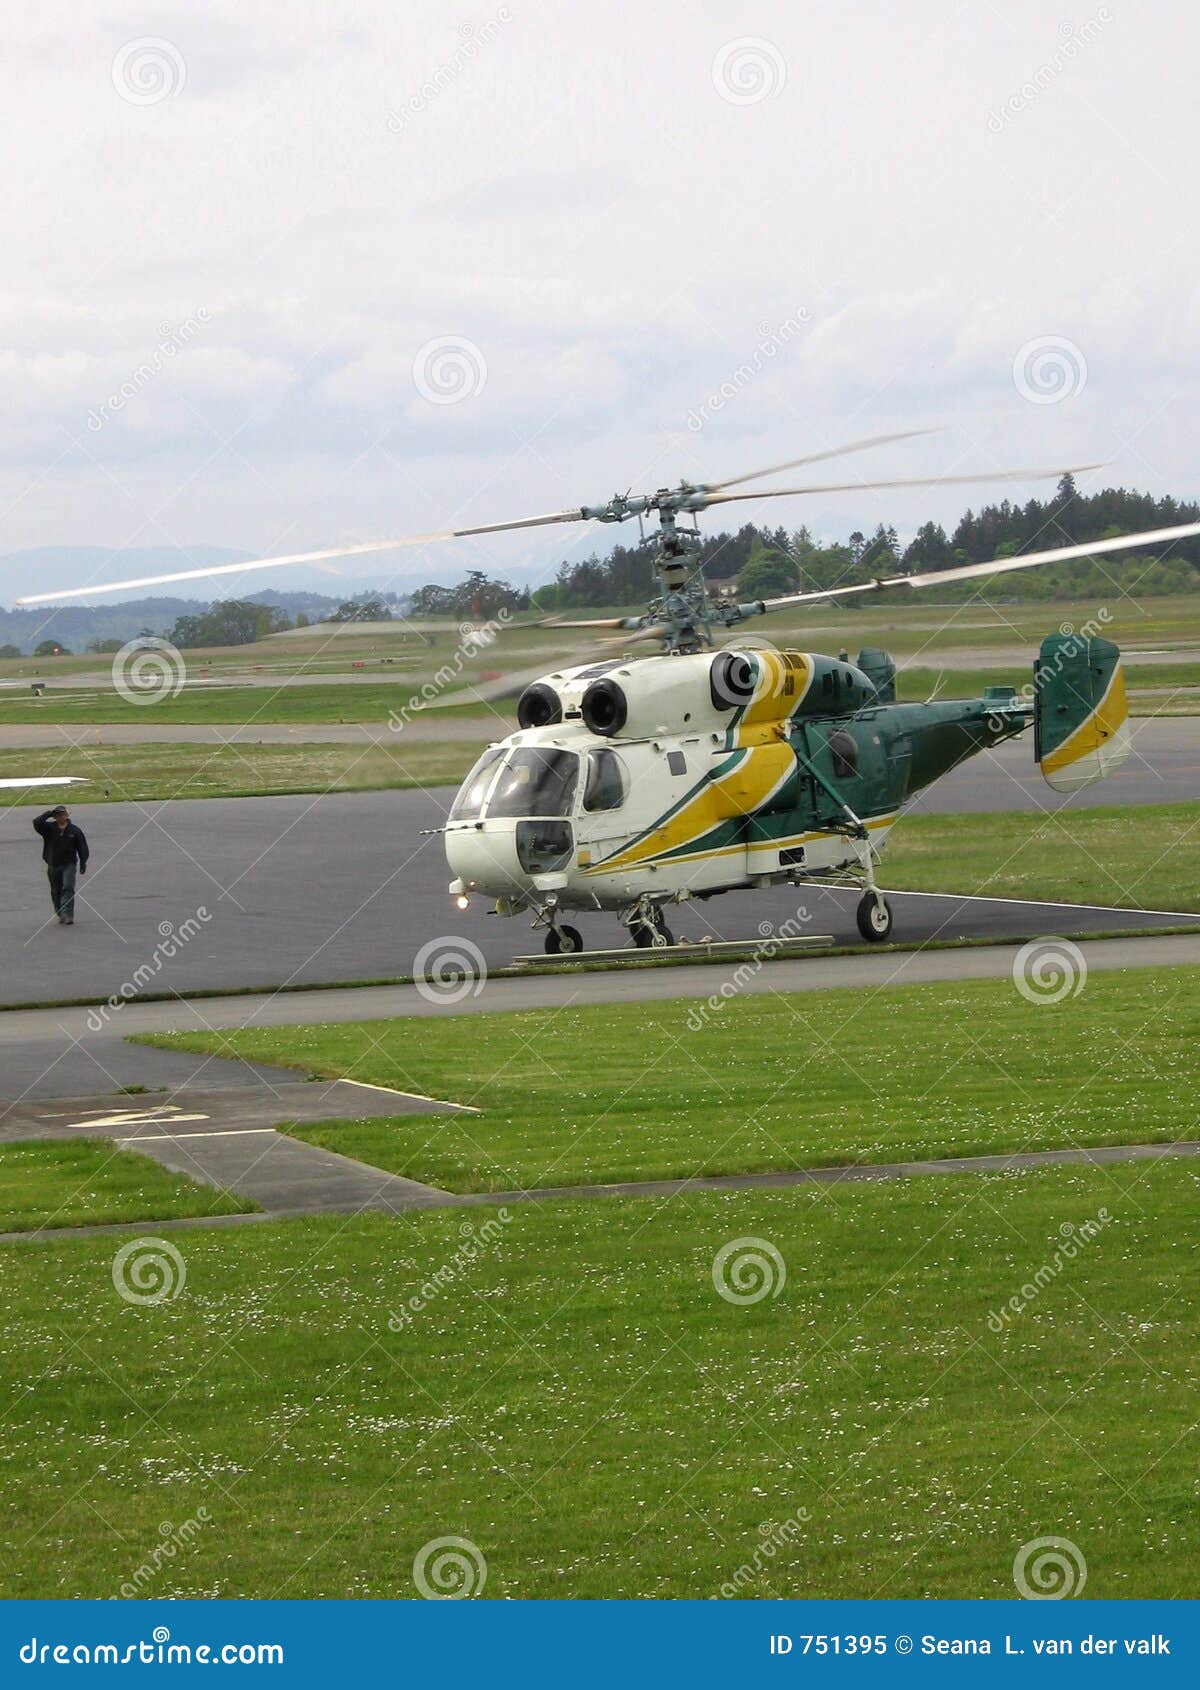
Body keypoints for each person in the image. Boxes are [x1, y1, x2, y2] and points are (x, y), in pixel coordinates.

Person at [33, 805, 89, 926]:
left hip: (69, 864)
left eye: (63, 814)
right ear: (55, 816)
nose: (60, 817)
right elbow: (36, 822)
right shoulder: (48, 828)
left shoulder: (75, 831)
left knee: (68, 887)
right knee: (55, 890)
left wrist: (83, 862)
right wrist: (48, 813)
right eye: (58, 815)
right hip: (53, 865)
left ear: (67, 815)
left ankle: (68, 914)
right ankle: (60, 912)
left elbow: (83, 847)